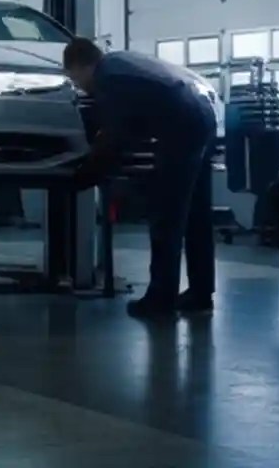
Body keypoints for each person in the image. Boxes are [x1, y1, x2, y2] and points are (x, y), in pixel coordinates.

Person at [63, 38, 218, 319]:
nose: (78, 86)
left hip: (183, 125)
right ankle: (201, 293)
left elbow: (116, 136)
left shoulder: (108, 77)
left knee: (166, 216)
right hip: (204, 115)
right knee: (196, 216)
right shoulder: (122, 62)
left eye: (74, 78)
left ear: (82, 66)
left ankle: (161, 300)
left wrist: (84, 175)